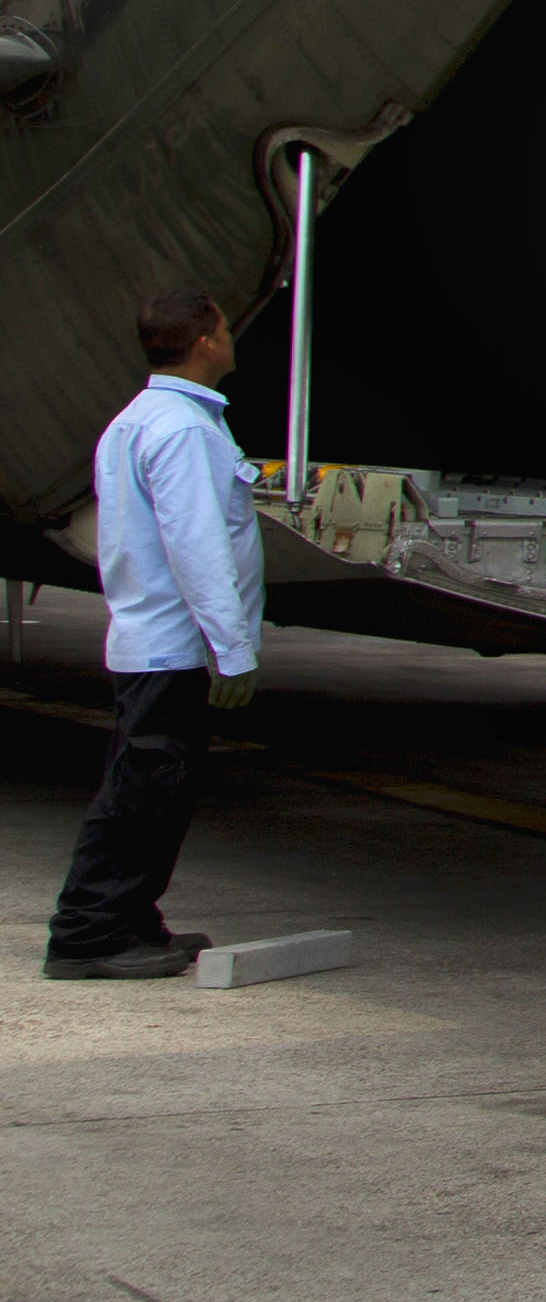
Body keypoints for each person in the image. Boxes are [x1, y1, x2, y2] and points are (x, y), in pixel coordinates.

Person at [46, 286, 262, 980]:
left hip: (150, 638)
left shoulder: (139, 419)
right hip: (171, 644)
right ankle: (88, 935)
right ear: (204, 342)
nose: (230, 339)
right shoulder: (185, 431)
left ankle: (131, 920)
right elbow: (197, 547)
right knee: (142, 794)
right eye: (224, 329)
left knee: (151, 789)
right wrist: (233, 652)